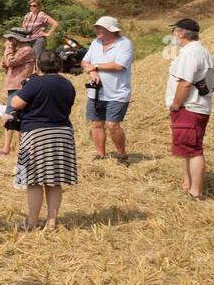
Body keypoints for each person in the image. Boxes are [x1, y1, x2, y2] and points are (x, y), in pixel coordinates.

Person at [10, 50, 78, 230]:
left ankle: (32, 222)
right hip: (63, 133)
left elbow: (15, 103)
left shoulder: (36, 82)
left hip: (37, 134)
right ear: (60, 65)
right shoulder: (67, 84)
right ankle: (52, 222)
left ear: (38, 65)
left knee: (33, 181)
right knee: (54, 181)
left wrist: (24, 89)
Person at [165, 17, 214, 200]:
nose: (173, 36)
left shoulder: (190, 54)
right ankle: (188, 185)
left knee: (193, 150)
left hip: (189, 107)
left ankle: (196, 192)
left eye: (174, 32)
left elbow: (185, 83)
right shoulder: (202, 52)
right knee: (187, 149)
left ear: (182, 33)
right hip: (198, 106)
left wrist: (176, 105)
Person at [81, 15, 134, 165]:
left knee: (112, 125)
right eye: (96, 28)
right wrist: (92, 71)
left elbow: (119, 66)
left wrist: (96, 66)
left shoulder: (124, 44)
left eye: (100, 28)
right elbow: (85, 61)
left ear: (111, 30)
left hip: (117, 93)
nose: (96, 30)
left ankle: (121, 155)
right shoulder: (96, 43)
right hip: (96, 93)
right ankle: (100, 154)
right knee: (96, 124)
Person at [0, 29, 36, 156]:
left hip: (19, 87)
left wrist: (7, 49)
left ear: (17, 39)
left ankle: (8, 148)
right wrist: (7, 66)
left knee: (10, 116)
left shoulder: (26, 50)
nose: (9, 41)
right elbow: (12, 64)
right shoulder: (21, 50)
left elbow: (11, 61)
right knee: (16, 116)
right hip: (15, 86)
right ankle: (13, 147)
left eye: (11, 39)